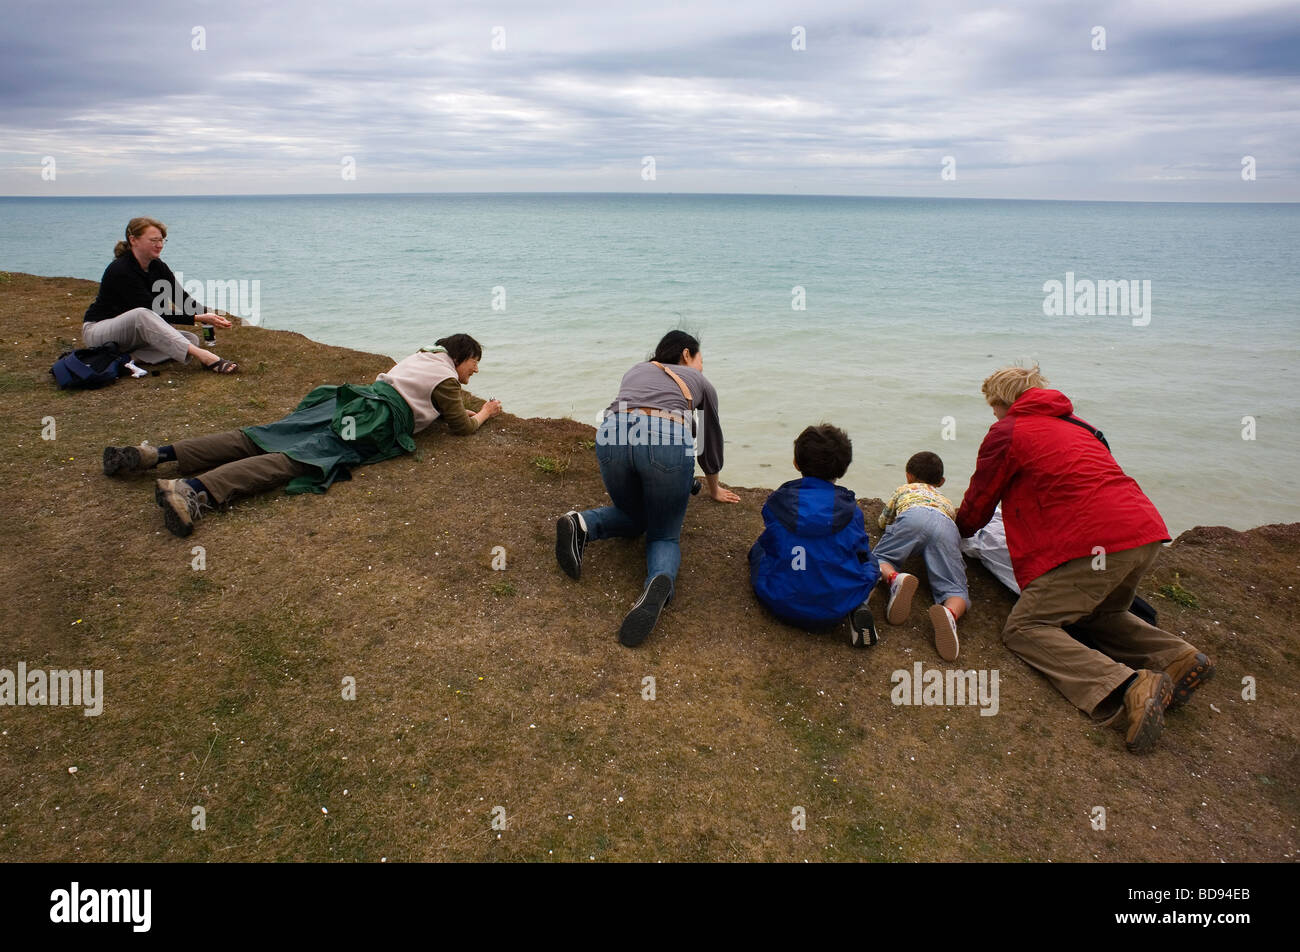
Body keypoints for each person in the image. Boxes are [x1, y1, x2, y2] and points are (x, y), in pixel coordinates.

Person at [955, 364, 1214, 753]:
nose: (992, 415)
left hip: (1093, 544)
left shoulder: (1008, 431)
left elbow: (981, 497)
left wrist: (954, 528)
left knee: (1026, 628)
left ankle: (1129, 685)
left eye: (992, 406)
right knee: (1098, 613)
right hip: (1143, 531)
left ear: (1002, 402)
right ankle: (1177, 657)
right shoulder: (1081, 426)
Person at [102, 334, 503, 536]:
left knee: (261, 435)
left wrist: (451, 407)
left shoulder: (424, 356)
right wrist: (484, 412)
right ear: (462, 357)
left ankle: (154, 454)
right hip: (371, 421)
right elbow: (462, 428)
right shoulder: (449, 379)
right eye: (475, 363)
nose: (475, 372)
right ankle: (191, 489)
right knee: (298, 459)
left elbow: (425, 397)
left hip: (350, 401)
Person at [555, 330, 740, 647]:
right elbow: (709, 443)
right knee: (664, 533)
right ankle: (658, 581)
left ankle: (580, 523)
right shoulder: (702, 384)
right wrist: (713, 488)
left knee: (633, 515)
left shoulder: (636, 370)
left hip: (611, 435)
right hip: (665, 440)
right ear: (686, 354)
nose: (701, 368)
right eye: (700, 360)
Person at [748, 424, 880, 647]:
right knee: (870, 562)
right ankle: (858, 604)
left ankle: (844, 599)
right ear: (843, 468)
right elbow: (858, 551)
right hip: (834, 607)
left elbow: (773, 542)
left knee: (760, 549)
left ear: (796, 463)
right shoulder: (851, 511)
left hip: (781, 602)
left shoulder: (777, 502)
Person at [82, 217, 238, 373]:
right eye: (154, 240)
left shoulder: (157, 266)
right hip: (99, 331)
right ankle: (206, 357)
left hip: (132, 335)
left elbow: (181, 299)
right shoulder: (120, 270)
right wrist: (196, 318)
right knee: (142, 314)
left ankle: (125, 358)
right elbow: (154, 311)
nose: (160, 245)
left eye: (162, 240)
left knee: (191, 340)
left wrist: (208, 314)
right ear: (133, 240)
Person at [873, 451, 969, 661]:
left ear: (908, 475)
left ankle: (894, 579)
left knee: (878, 559)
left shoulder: (904, 490)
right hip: (946, 526)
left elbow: (884, 521)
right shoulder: (946, 501)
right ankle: (950, 613)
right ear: (941, 481)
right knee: (956, 587)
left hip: (913, 516)